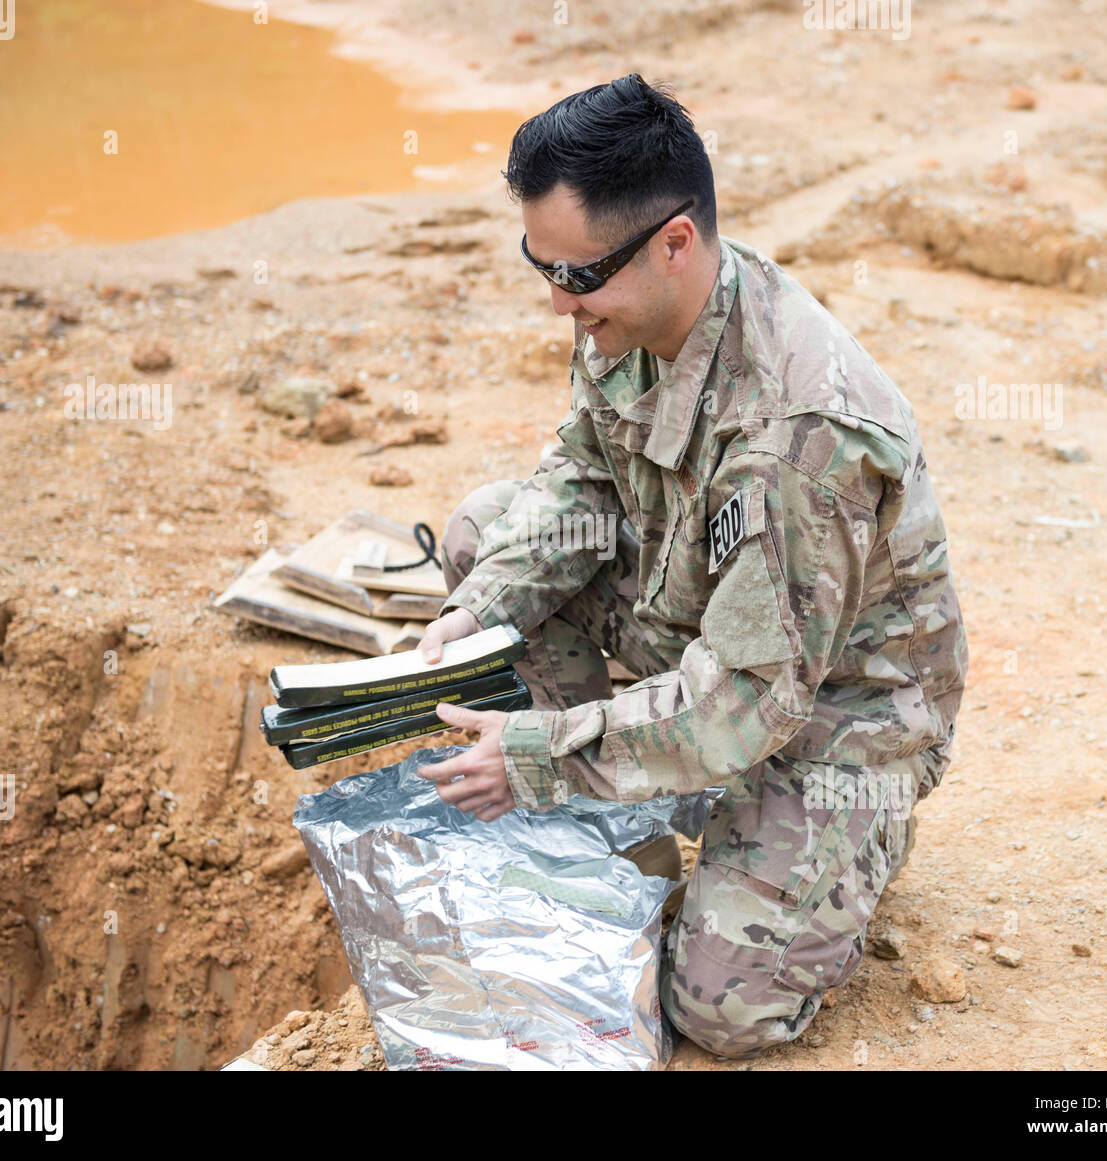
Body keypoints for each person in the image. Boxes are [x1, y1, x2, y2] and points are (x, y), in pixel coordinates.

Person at [412, 73, 968, 1058]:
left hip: (833, 712)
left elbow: (748, 704)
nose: (555, 301)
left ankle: (853, 839)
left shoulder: (805, 432)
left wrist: (537, 756)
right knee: (483, 538)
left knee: (720, 1007)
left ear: (674, 241)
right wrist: (482, 606)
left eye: (576, 274)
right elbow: (582, 473)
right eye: (540, 266)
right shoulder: (629, 309)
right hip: (705, 624)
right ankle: (620, 825)